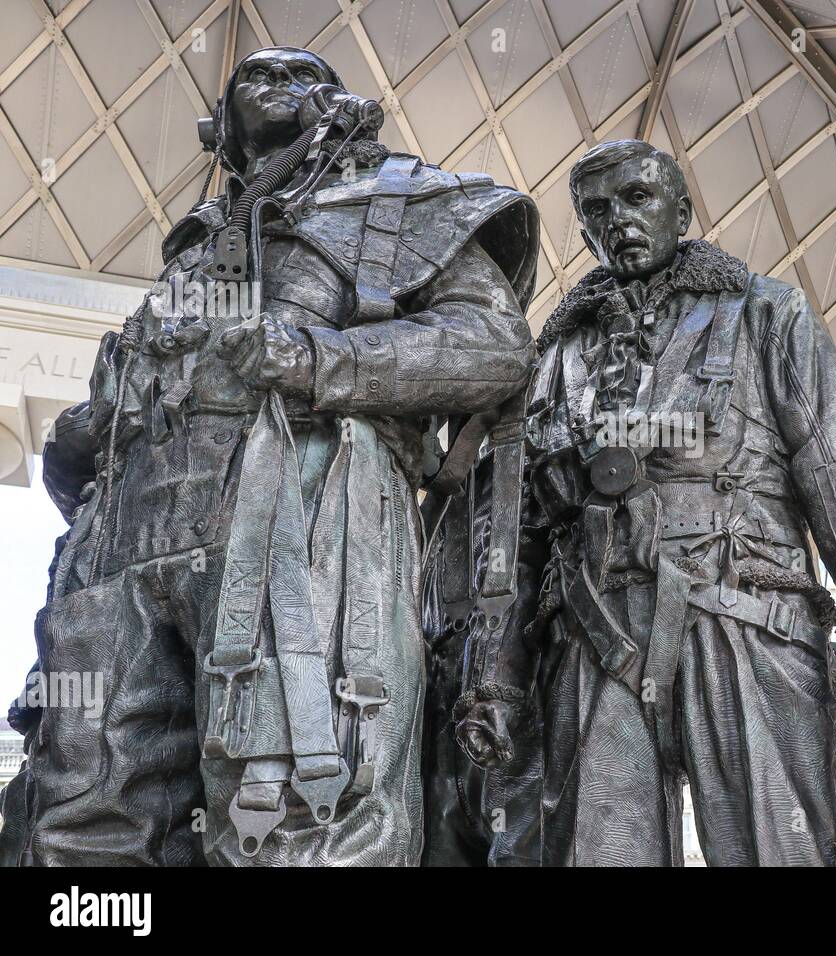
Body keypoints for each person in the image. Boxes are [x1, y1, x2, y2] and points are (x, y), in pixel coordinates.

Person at [4, 46, 538, 866]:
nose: (283, 86)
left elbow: (495, 349)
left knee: (297, 811)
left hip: (300, 520)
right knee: (82, 817)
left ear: (340, 102)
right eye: (260, 75)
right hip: (128, 540)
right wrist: (95, 425)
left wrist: (316, 358)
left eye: (306, 76)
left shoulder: (408, 207)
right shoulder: (195, 249)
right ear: (224, 115)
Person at [454, 139, 836, 866]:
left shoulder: (767, 313)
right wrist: (498, 671)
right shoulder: (551, 358)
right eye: (597, 211)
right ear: (583, 232)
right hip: (590, 633)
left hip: (745, 620)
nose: (619, 221)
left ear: (683, 208)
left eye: (637, 198)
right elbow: (515, 536)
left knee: (780, 848)